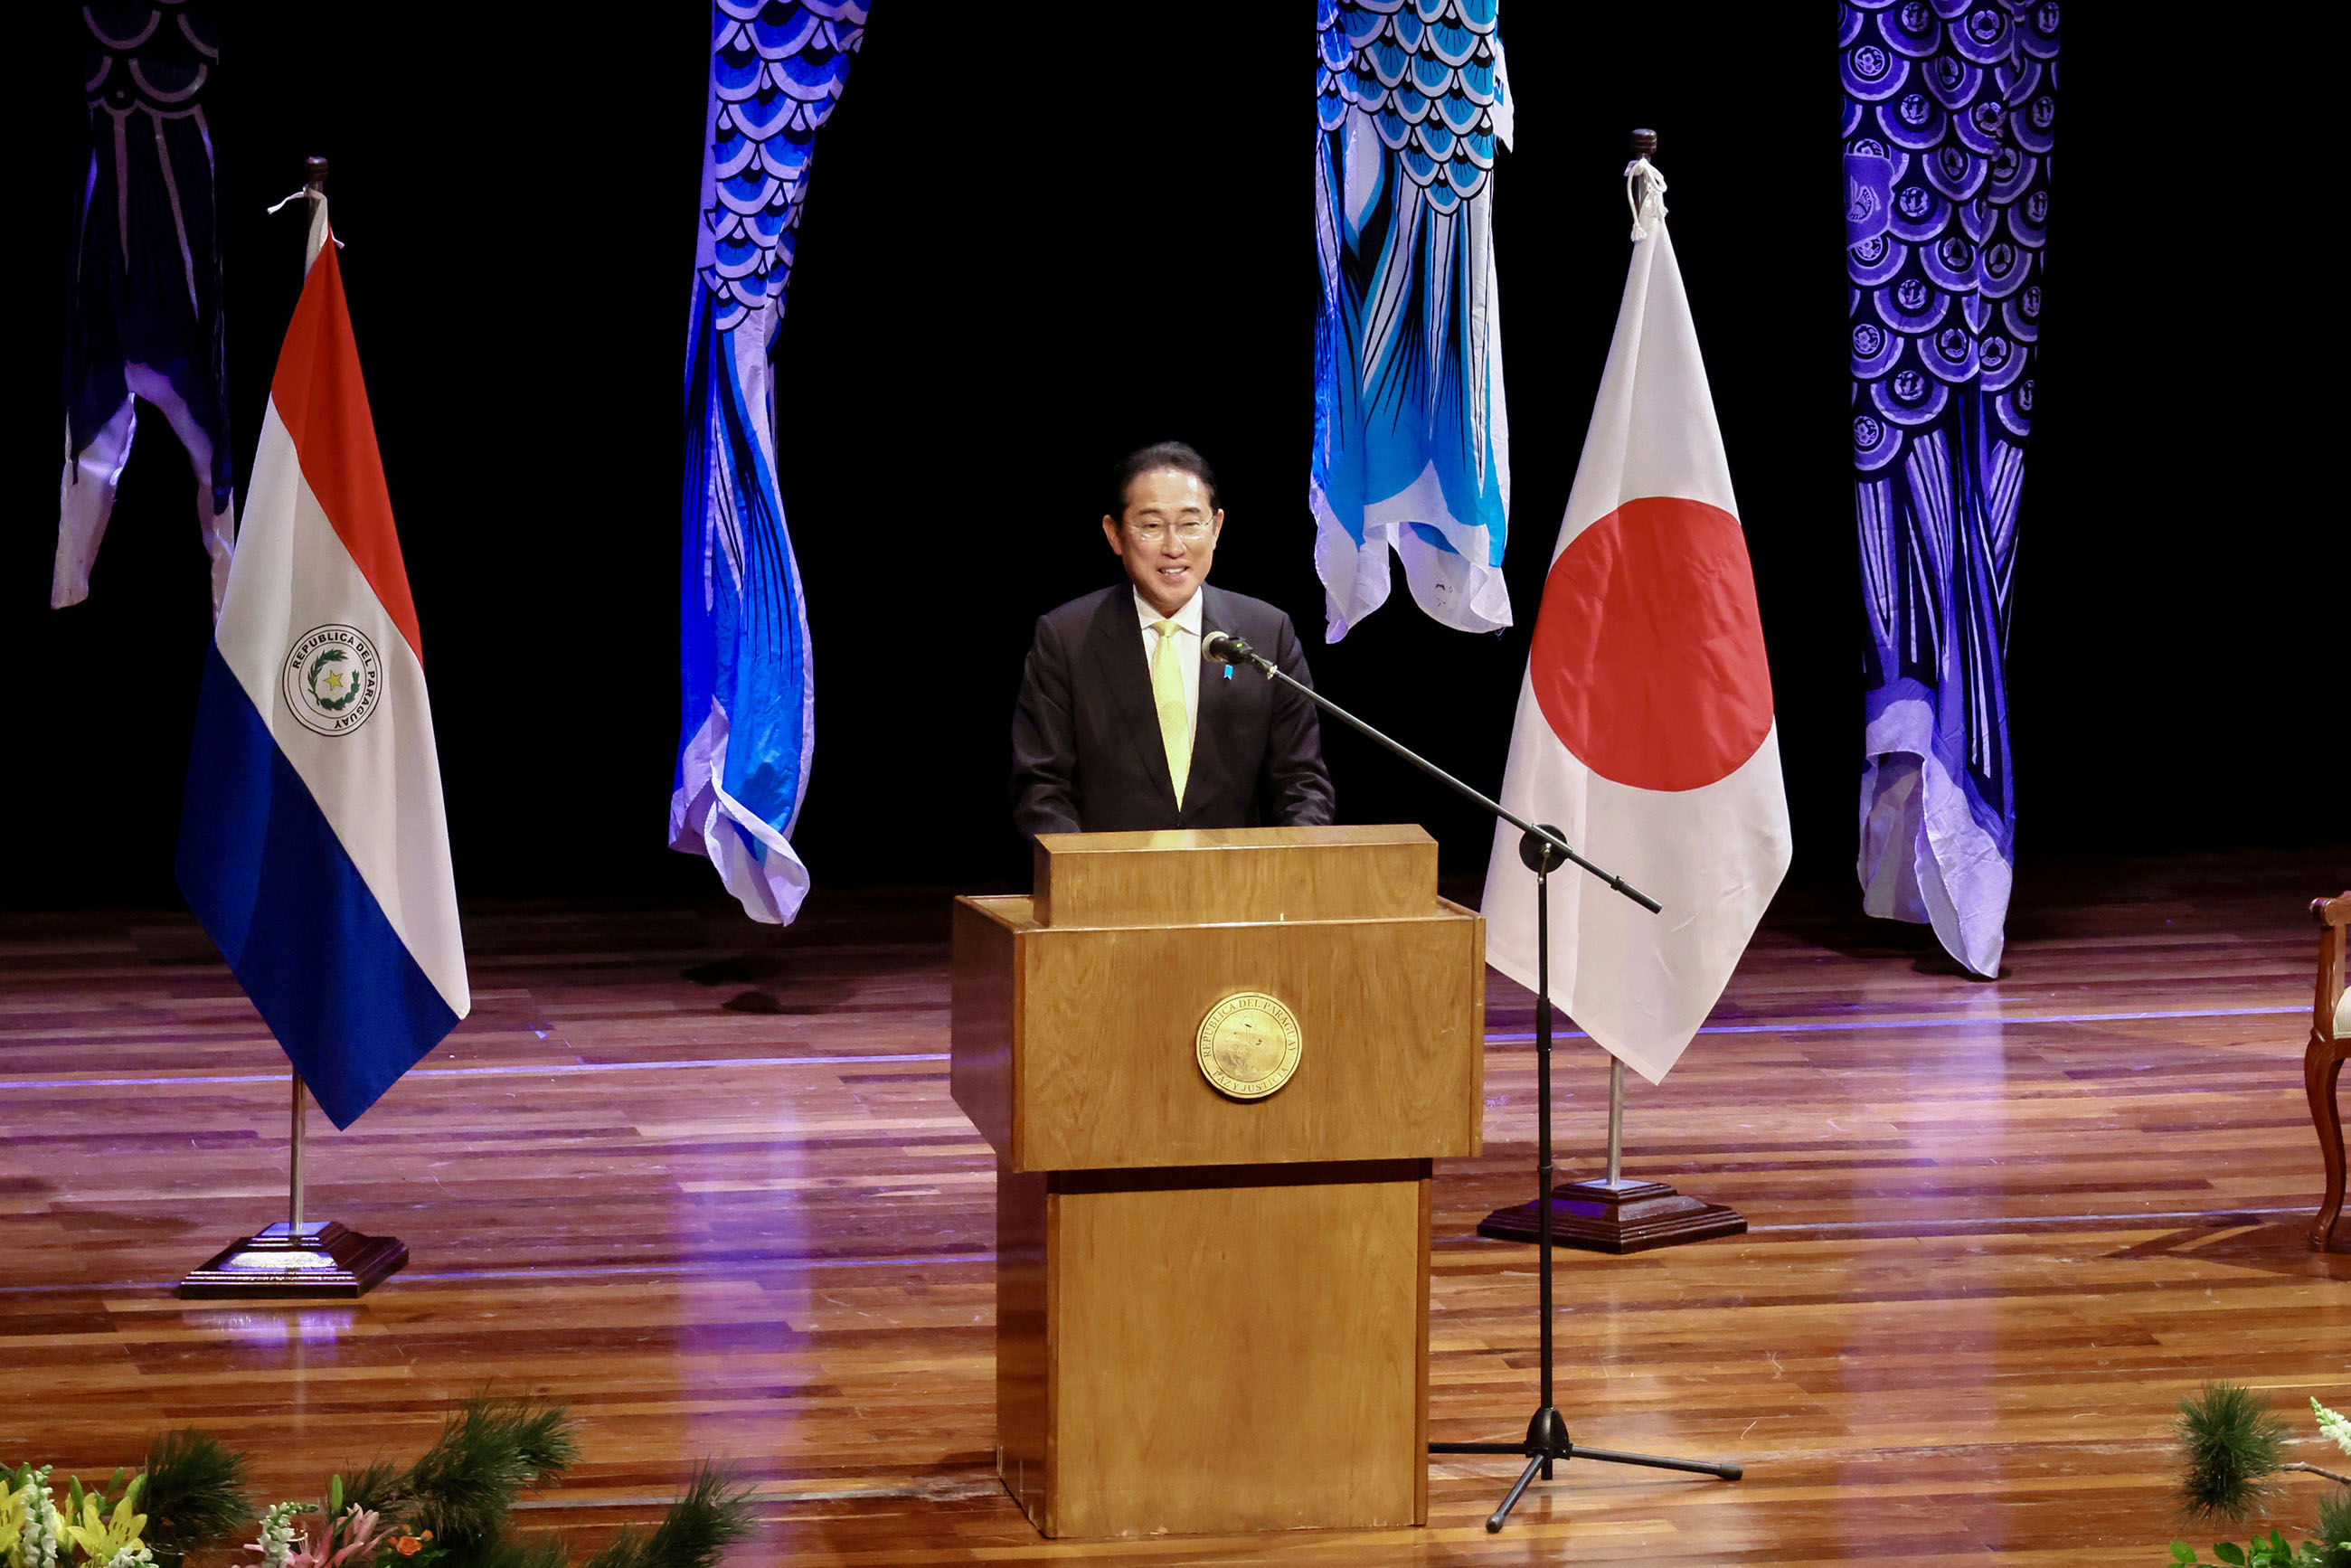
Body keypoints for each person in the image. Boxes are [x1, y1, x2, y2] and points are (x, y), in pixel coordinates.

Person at [1010, 442, 1335, 836]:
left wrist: (1293, 868)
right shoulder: (1066, 639)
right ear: (1114, 534)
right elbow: (1041, 789)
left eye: (1189, 523)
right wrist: (1085, 878)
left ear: (1215, 529)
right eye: (1151, 526)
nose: (1173, 547)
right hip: (1108, 889)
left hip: (1239, 888)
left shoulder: (1266, 633)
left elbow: (1302, 784)